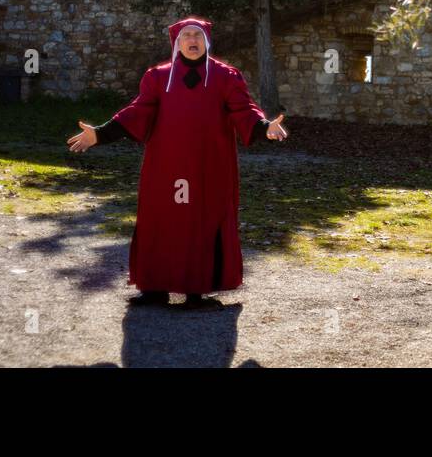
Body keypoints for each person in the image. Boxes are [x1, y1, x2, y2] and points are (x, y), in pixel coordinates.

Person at [67, 16, 287, 309]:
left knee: (203, 222)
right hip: (165, 165)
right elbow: (137, 111)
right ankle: (155, 288)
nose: (192, 41)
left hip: (209, 166)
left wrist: (263, 126)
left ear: (206, 41)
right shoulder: (157, 77)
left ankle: (197, 290)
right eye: (186, 36)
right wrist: (101, 134)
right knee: (161, 220)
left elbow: (243, 110)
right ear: (177, 42)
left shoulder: (226, 76)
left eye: (197, 35)